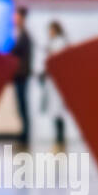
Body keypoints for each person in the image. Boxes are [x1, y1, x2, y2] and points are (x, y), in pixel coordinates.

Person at [40, 19, 70, 147]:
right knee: (54, 109)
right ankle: (58, 135)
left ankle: (60, 136)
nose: (49, 32)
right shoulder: (53, 43)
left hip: (59, 81)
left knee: (58, 110)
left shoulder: (60, 43)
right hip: (52, 82)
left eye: (51, 30)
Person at [9, 5, 33, 144]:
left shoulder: (24, 36)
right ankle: (24, 132)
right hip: (19, 76)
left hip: (22, 76)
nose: (14, 19)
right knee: (21, 104)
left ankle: (25, 133)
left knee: (23, 104)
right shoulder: (20, 35)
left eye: (16, 16)